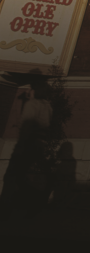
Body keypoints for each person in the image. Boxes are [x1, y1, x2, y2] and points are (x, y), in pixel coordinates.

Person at [0, 72, 54, 215]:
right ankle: (33, 202)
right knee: (22, 174)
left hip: (28, 142)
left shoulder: (32, 104)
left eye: (30, 88)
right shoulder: (47, 106)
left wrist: (20, 146)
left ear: (34, 90)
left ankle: (5, 207)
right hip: (39, 143)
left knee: (11, 175)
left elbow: (27, 126)